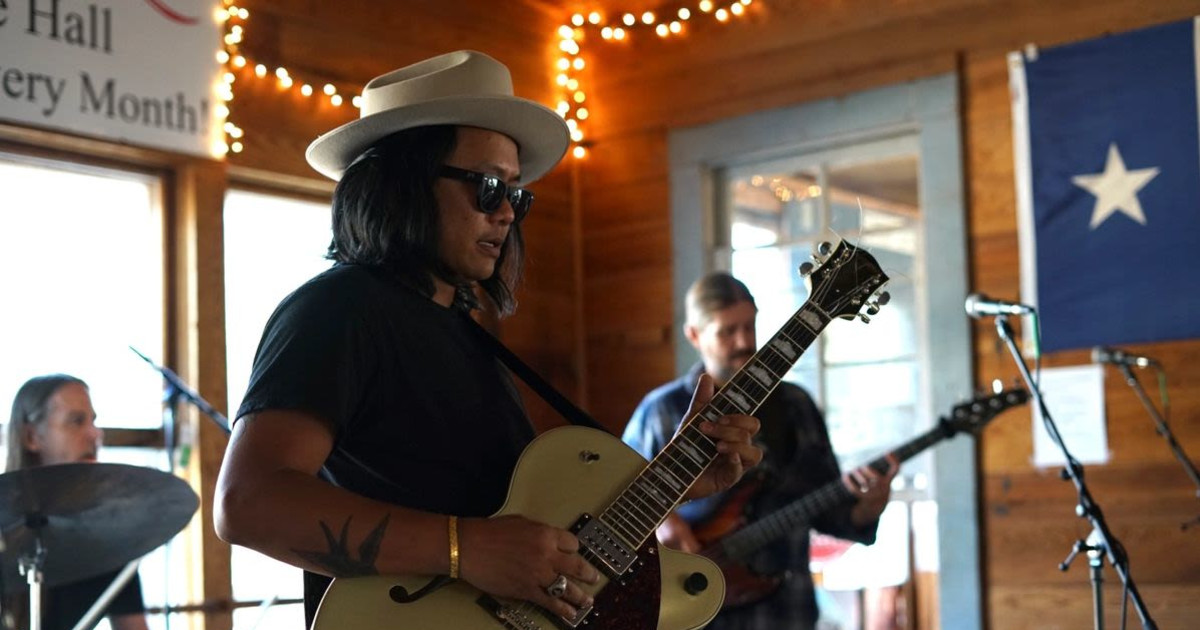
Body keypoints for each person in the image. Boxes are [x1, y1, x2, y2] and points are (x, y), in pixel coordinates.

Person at [213, 50, 763, 628]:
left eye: (516, 194)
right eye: (486, 187)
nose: (506, 213)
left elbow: (515, 535)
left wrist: (676, 481)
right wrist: (465, 549)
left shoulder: (460, 327)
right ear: (404, 182)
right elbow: (248, 503)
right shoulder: (338, 308)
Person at [622, 272, 897, 630]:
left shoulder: (796, 405)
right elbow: (614, 502)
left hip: (788, 612)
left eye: (750, 326)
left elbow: (828, 512)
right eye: (727, 331)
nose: (744, 341)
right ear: (694, 335)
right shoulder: (661, 411)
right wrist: (662, 522)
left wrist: (866, 508)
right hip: (692, 612)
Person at [4, 374, 150, 630]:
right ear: (32, 437)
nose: (95, 434)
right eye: (76, 421)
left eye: (94, 421)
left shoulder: (110, 542)